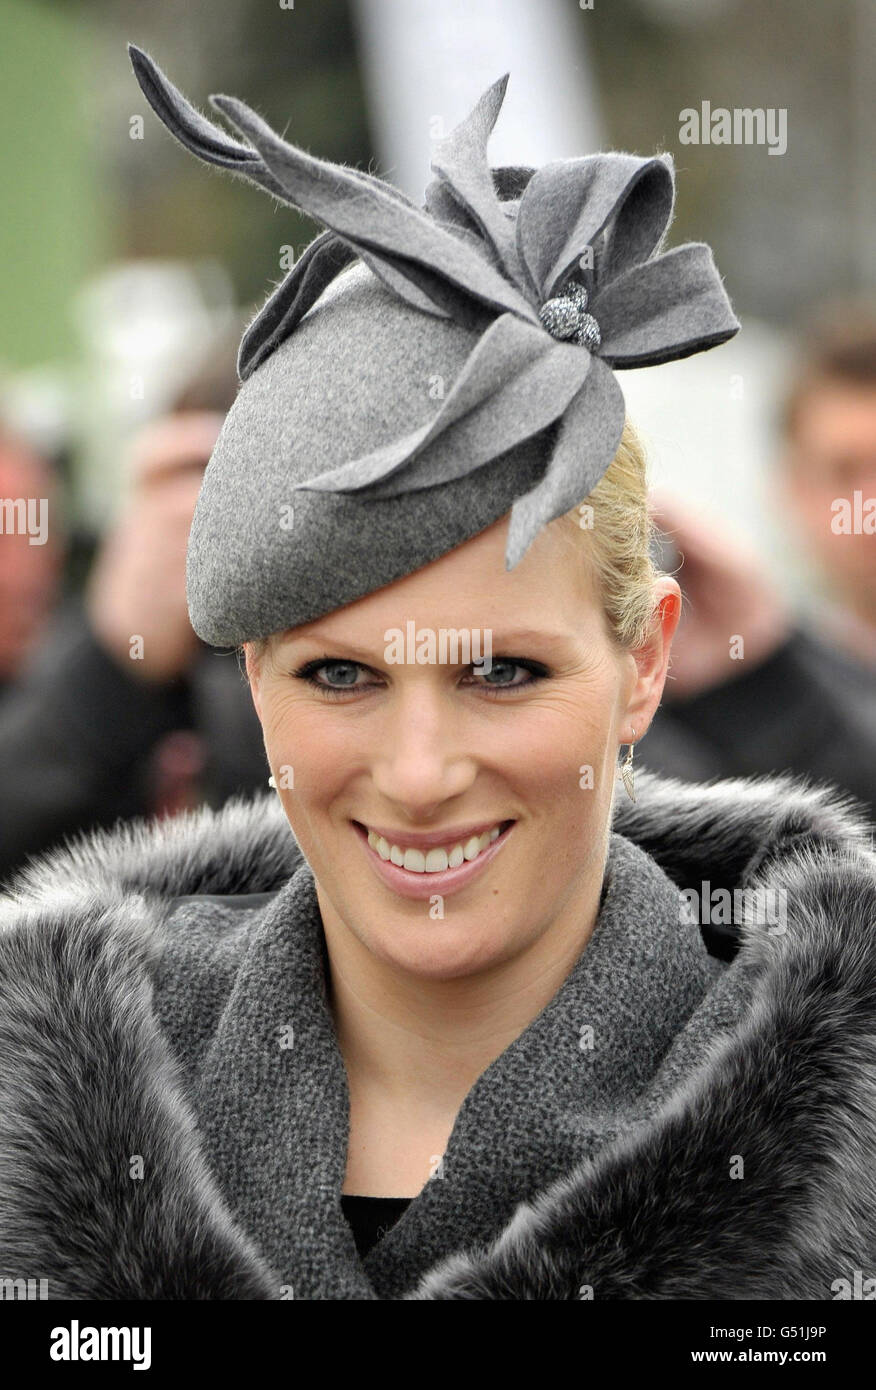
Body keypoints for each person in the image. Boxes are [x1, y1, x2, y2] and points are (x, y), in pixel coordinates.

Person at [0, 47, 874, 1301]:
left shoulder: (847, 1141)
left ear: (647, 663)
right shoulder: (43, 1102)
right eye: (341, 677)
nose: (418, 776)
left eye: (504, 672)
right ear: (251, 680)